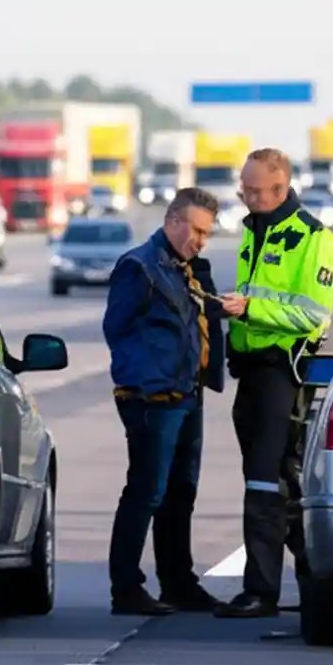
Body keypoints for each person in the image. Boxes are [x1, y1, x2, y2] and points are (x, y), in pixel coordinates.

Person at [213, 148, 333, 619]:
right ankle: (317, 574)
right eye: (242, 188)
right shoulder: (253, 229)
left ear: (280, 188)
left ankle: (261, 590)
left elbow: (312, 315)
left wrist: (250, 309)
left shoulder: (313, 238)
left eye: (253, 189)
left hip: (280, 372)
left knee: (264, 482)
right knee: (277, 479)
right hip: (249, 371)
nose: (245, 196)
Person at [102, 187, 226, 616]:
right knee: (146, 492)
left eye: (207, 234)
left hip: (187, 395)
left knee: (181, 494)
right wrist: (147, 384)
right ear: (172, 221)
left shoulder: (187, 269)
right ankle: (127, 588)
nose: (200, 240)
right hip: (153, 398)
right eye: (195, 230)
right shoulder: (141, 266)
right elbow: (116, 329)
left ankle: (178, 582)